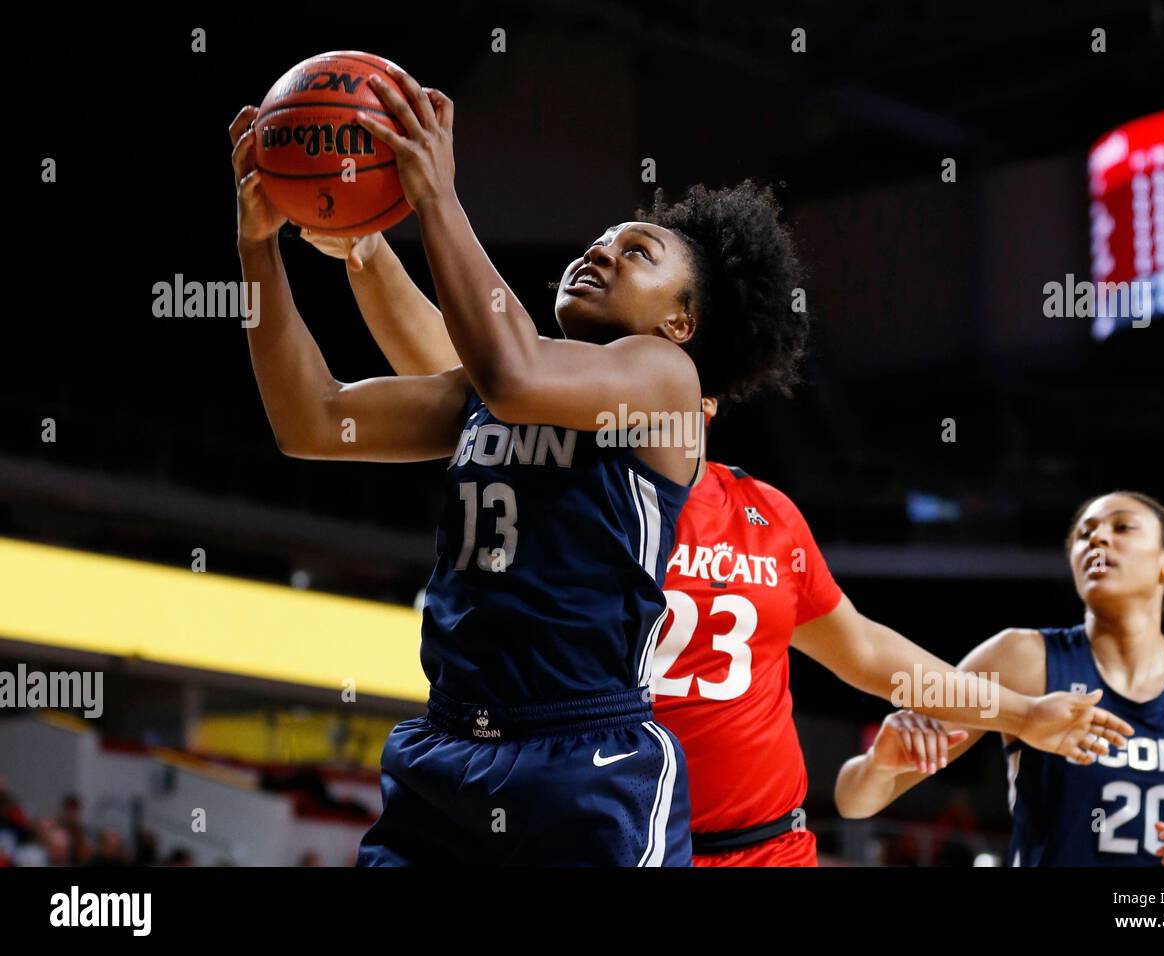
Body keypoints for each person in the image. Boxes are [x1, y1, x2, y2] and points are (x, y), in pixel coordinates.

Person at [291, 177, 1137, 870]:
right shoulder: (567, 483)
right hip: (612, 828)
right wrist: (365, 248)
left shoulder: (764, 515)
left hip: (762, 846)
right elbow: (463, 364)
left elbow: (873, 656)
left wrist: (1018, 716)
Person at [230, 62, 801, 865]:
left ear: (682, 320)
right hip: (446, 748)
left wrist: (434, 194)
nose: (601, 252)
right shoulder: (493, 383)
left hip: (585, 767)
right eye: (599, 241)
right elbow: (313, 420)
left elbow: (513, 369)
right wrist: (259, 249)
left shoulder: (665, 383)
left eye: (636, 252)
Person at [835, 491, 1164, 867]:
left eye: (1122, 527)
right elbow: (855, 801)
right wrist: (879, 765)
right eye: (1084, 534)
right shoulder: (1021, 659)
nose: (1097, 538)